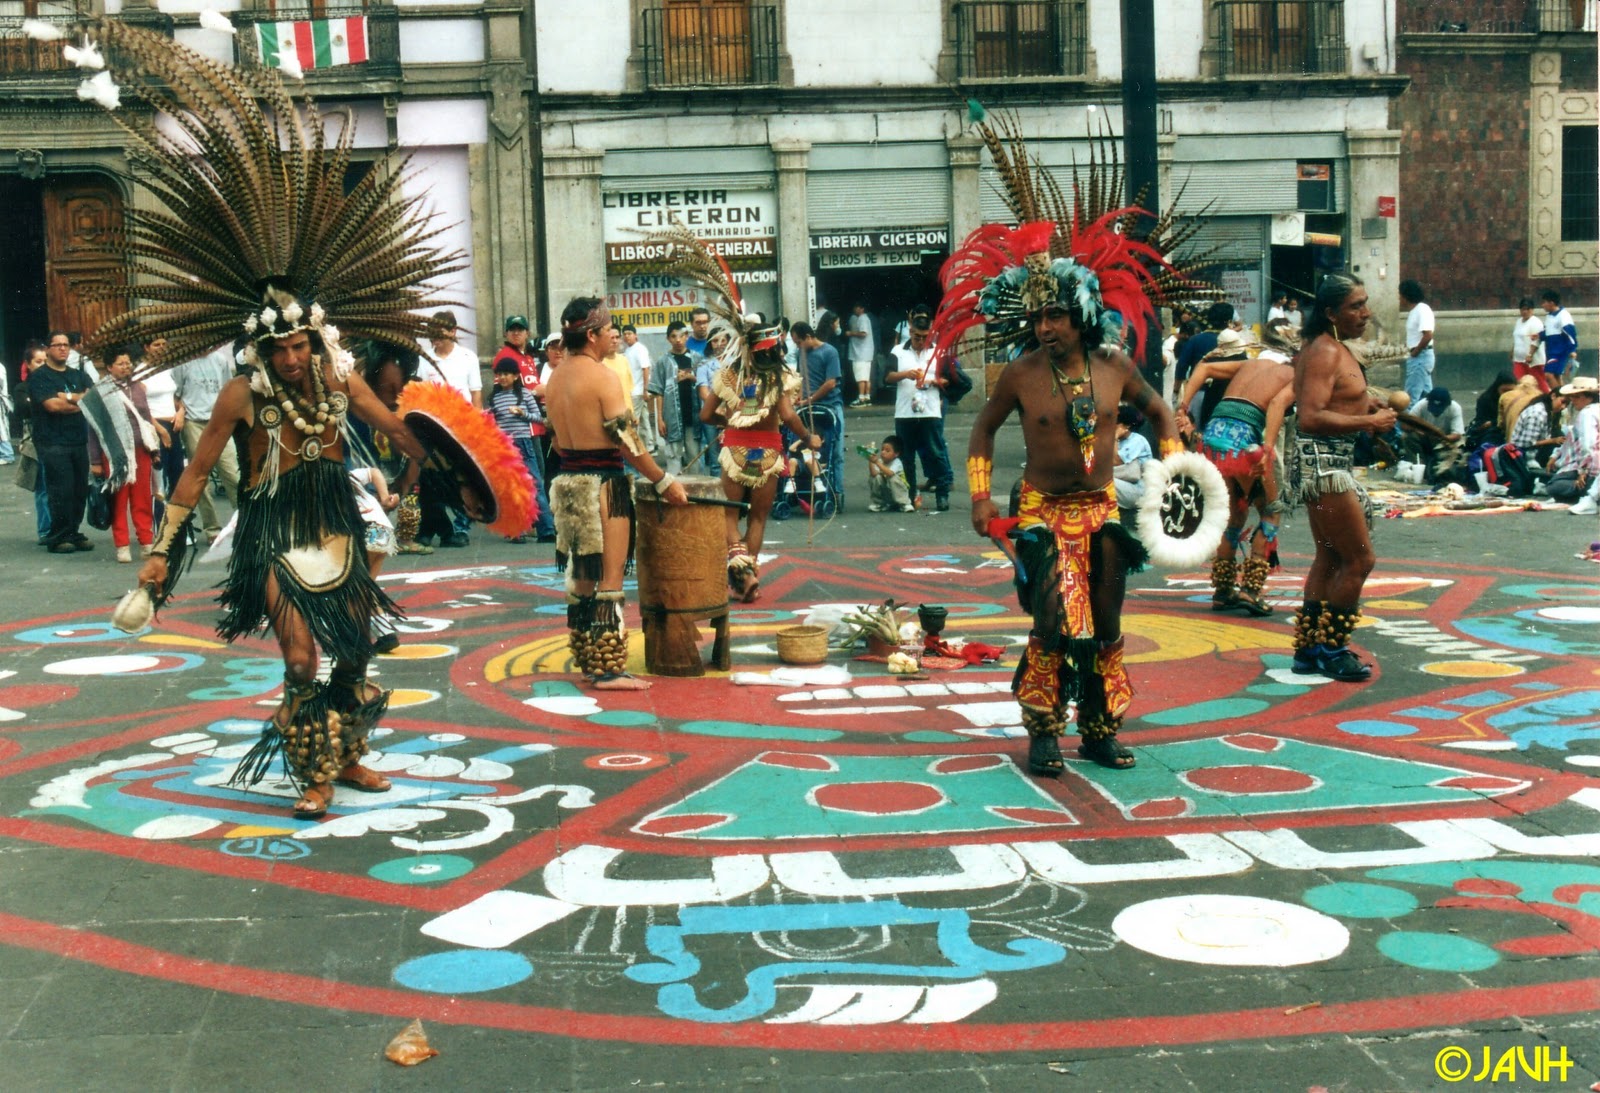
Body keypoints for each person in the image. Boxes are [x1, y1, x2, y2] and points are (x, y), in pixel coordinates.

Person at [541, 297, 688, 689]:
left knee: (584, 575)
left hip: (569, 487)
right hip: (605, 485)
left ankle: (589, 657)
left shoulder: (555, 378)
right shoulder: (604, 377)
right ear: (591, 335)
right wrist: (662, 480)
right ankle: (608, 669)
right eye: (608, 331)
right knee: (609, 576)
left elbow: (554, 441)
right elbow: (628, 442)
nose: (615, 338)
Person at [1290, 273, 1397, 682]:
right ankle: (1332, 650)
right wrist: (1369, 421)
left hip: (1327, 464)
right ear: (1331, 312)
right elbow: (1310, 415)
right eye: (1355, 306)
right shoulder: (1325, 352)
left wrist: (1365, 406)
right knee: (1359, 559)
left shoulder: (1332, 348)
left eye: (1365, 303)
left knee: (1331, 556)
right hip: (1325, 468)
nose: (1365, 313)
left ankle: (1308, 649)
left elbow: (1333, 401)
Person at [698, 310, 820, 601]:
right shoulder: (779, 378)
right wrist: (808, 437)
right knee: (757, 519)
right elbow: (789, 416)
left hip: (735, 453)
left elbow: (705, 414)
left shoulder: (728, 376)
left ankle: (742, 573)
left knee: (729, 517)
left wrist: (728, 422)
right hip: (768, 454)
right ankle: (748, 573)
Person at [1177, 338, 1296, 616]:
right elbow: (1279, 403)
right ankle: (1251, 591)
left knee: (1234, 514)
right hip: (1243, 443)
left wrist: (1182, 407)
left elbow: (1204, 368)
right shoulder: (1292, 373)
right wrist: (1267, 447)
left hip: (1212, 437)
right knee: (1270, 510)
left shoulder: (1249, 364)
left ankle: (1222, 591)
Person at [87, 345, 166, 563]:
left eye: (128, 363)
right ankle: (122, 545)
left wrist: (155, 450)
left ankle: (146, 541)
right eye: (121, 364)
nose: (126, 367)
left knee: (142, 498)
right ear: (109, 367)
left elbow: (147, 420)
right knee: (119, 500)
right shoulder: (99, 392)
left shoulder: (139, 387)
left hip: (141, 451)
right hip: (114, 454)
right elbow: (94, 429)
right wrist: (95, 460)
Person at [29, 333, 96, 554]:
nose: (62, 349)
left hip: (78, 439)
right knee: (61, 489)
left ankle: (73, 531)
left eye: (66, 345)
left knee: (79, 489)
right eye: (57, 345)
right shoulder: (40, 377)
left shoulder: (79, 374)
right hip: (52, 441)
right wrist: (79, 401)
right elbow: (52, 406)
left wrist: (66, 397)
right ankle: (58, 536)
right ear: (47, 349)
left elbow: (92, 397)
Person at [490, 316, 555, 543]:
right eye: (512, 330)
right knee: (524, 481)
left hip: (531, 429)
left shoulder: (526, 357)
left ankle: (538, 524)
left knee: (535, 479)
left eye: (520, 329)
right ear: (506, 334)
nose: (516, 333)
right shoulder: (506, 356)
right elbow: (506, 398)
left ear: (528, 332)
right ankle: (525, 525)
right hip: (517, 434)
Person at [171, 341, 243, 542]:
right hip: (194, 422)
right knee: (200, 477)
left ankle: (245, 521)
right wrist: (181, 412)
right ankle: (212, 528)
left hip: (218, 423)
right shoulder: (183, 363)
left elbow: (227, 391)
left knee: (233, 474)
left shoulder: (220, 361)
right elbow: (176, 394)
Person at [886, 307, 953, 512]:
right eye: (916, 337)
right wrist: (906, 374)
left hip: (930, 411)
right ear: (910, 331)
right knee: (907, 456)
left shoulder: (938, 351)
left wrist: (933, 381)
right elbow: (887, 377)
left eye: (924, 337)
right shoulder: (897, 351)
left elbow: (949, 379)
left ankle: (942, 494)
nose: (920, 341)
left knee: (936, 452)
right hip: (905, 412)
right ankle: (911, 494)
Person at [792, 320, 846, 507]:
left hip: (830, 405)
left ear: (808, 337)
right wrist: (799, 398)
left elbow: (831, 382)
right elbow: (801, 378)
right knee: (804, 449)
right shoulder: (802, 353)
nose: (798, 346)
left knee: (835, 451)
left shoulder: (829, 352)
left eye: (799, 342)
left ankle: (836, 492)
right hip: (808, 407)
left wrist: (811, 399)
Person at [648, 320, 704, 474]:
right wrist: (659, 419)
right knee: (673, 457)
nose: (678, 340)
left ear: (687, 336)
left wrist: (691, 377)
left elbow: (706, 386)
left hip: (693, 417)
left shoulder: (697, 359)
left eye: (681, 336)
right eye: (673, 336)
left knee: (694, 456)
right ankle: (674, 493)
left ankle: (696, 495)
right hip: (671, 418)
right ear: (668, 339)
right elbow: (658, 392)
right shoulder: (663, 362)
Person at [1547, 376, 1598, 511]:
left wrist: (1584, 471)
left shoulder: (1586, 414)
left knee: (1554, 486)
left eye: (1576, 397)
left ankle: (1587, 493)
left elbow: (1589, 444)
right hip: (1591, 463)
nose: (1572, 401)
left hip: (1591, 466)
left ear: (1588, 397)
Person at [1111, 404, 1152, 519]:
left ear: (1126, 426)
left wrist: (1115, 437)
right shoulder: (1118, 440)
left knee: (1104, 483)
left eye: (1116, 422)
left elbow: (1116, 461)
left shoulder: (1137, 440)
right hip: (1125, 486)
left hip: (1140, 491)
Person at [1399, 279, 1436, 407]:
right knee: (1426, 397)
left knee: (1410, 398)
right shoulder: (1413, 312)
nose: (1399, 298)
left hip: (1421, 357)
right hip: (1418, 356)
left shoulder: (1422, 309)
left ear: (1406, 296)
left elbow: (1428, 334)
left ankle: (1403, 426)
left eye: (1400, 295)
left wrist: (1415, 352)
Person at [621, 324, 656, 453]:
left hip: (638, 392)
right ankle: (650, 446)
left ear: (636, 335)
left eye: (629, 333)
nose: (627, 336)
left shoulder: (640, 349)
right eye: (624, 334)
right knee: (644, 418)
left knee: (632, 422)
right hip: (634, 391)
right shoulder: (628, 351)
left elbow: (645, 368)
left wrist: (645, 390)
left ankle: (634, 448)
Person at [865, 434, 914, 512]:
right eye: (882, 449)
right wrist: (871, 460)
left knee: (893, 478)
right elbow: (873, 474)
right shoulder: (880, 461)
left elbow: (890, 473)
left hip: (899, 493)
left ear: (896, 454)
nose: (883, 452)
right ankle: (879, 503)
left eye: (887, 451)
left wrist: (876, 462)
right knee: (875, 477)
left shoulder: (897, 462)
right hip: (888, 493)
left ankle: (904, 503)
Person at [1541, 290, 1579, 386]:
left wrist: (1573, 349)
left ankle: (1557, 396)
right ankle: (1564, 397)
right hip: (1551, 352)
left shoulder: (1563, 315)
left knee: (1548, 374)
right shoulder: (1549, 317)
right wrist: (1539, 335)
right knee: (1557, 375)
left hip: (1560, 352)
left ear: (1551, 303)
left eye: (1544, 302)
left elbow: (1570, 333)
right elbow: (1548, 333)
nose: (1542, 305)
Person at [1512, 297, 1548, 392]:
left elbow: (1536, 340)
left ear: (1532, 310)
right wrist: (1512, 351)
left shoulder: (1535, 322)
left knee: (1539, 383)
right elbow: (1516, 337)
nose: (1525, 311)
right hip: (1519, 359)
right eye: (1523, 309)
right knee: (1519, 383)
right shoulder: (1518, 322)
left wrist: (1530, 354)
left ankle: (1548, 400)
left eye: (1528, 309)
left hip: (1533, 361)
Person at [846, 303, 875, 406]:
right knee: (866, 376)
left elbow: (863, 333)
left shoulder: (863, 318)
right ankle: (867, 397)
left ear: (862, 308)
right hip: (866, 352)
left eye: (856, 307)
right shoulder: (864, 318)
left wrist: (850, 333)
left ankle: (861, 398)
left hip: (861, 352)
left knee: (861, 377)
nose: (854, 309)